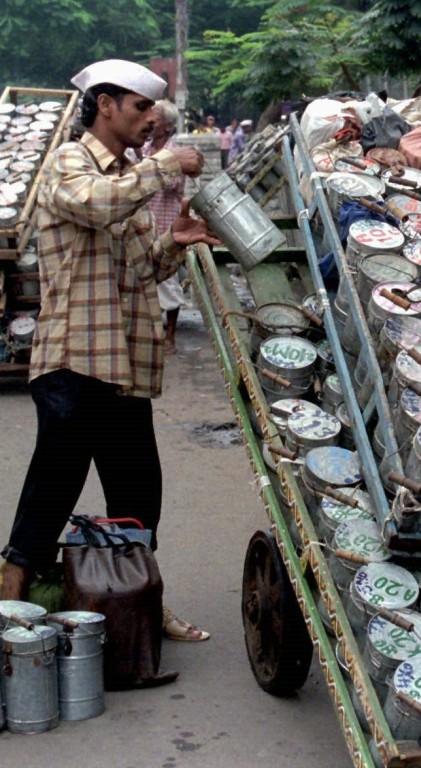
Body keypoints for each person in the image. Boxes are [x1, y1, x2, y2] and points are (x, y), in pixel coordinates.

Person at [0, 59, 219, 654]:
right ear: (106, 106)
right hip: (74, 357)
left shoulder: (129, 176)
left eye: (153, 110)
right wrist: (166, 164)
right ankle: (9, 595)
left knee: (138, 493)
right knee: (53, 488)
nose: (151, 120)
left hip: (121, 362)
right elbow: (95, 205)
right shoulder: (71, 164)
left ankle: (142, 599)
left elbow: (142, 265)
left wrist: (175, 242)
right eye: (141, 107)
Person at [143, 100, 186, 354]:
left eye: (155, 118)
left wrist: (146, 169)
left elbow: (171, 183)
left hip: (165, 224)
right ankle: (153, 333)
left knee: (168, 281)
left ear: (167, 126)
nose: (150, 121)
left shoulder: (175, 153)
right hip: (144, 225)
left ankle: (170, 336)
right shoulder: (144, 148)